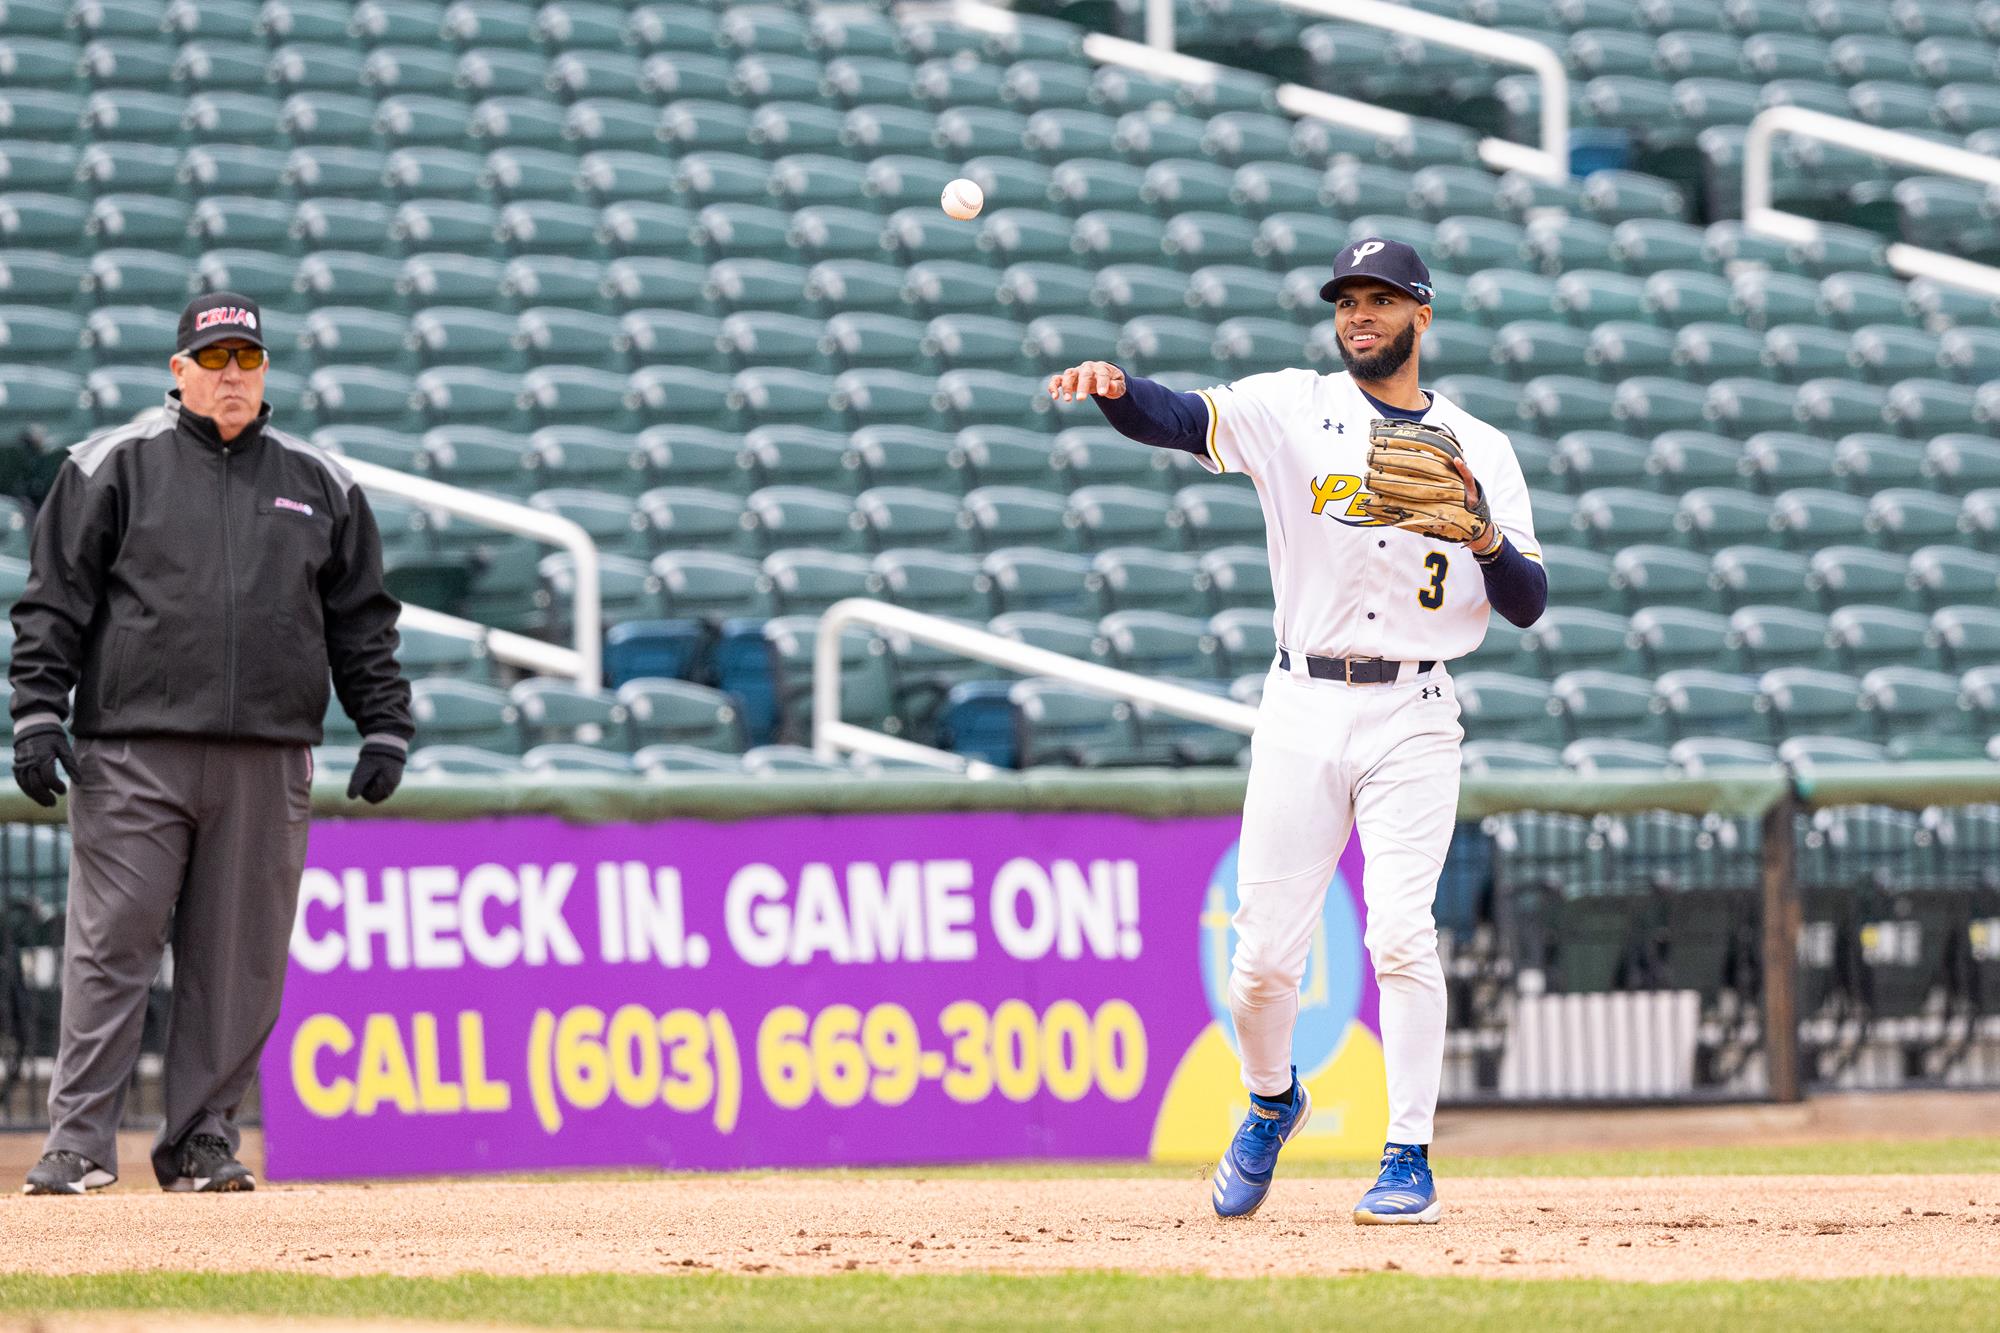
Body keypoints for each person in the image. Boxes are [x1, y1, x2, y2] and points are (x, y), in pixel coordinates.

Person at [1048, 239, 1546, 1225]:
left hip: (1413, 706)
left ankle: (1407, 1155)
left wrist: (1482, 533)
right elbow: (1181, 417)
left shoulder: (1478, 447)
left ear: (1420, 315)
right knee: (1262, 961)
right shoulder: (1291, 406)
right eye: (1346, 300)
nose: (1358, 313)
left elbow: (1526, 602)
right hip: (1300, 706)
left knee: (1401, 930)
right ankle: (1271, 1098)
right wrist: (1115, 390)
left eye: (1380, 298)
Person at [11, 292, 414, 1194]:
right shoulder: (110, 465)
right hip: (132, 750)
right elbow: (52, 604)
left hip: (268, 757)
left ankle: (201, 1139)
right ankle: (78, 1141)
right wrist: (38, 710)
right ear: (178, 369)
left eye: (247, 359)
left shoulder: (323, 482)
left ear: (265, 370)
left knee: (238, 962)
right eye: (214, 358)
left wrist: (384, 720)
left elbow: (362, 621)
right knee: (112, 944)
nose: (231, 374)